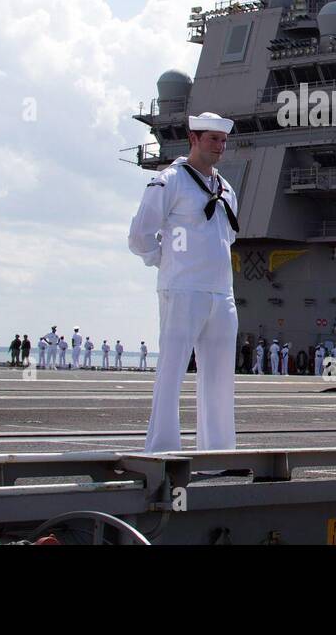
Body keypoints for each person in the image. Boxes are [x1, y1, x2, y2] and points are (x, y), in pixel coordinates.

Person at [127, 111, 240, 453]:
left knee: (220, 378)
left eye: (223, 140)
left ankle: (219, 452)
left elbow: (226, 239)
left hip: (221, 292)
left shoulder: (226, 189)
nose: (219, 147)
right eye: (212, 140)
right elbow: (140, 235)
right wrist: (166, 261)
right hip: (182, 289)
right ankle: (161, 449)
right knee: (172, 370)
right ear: (194, 139)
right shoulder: (170, 180)